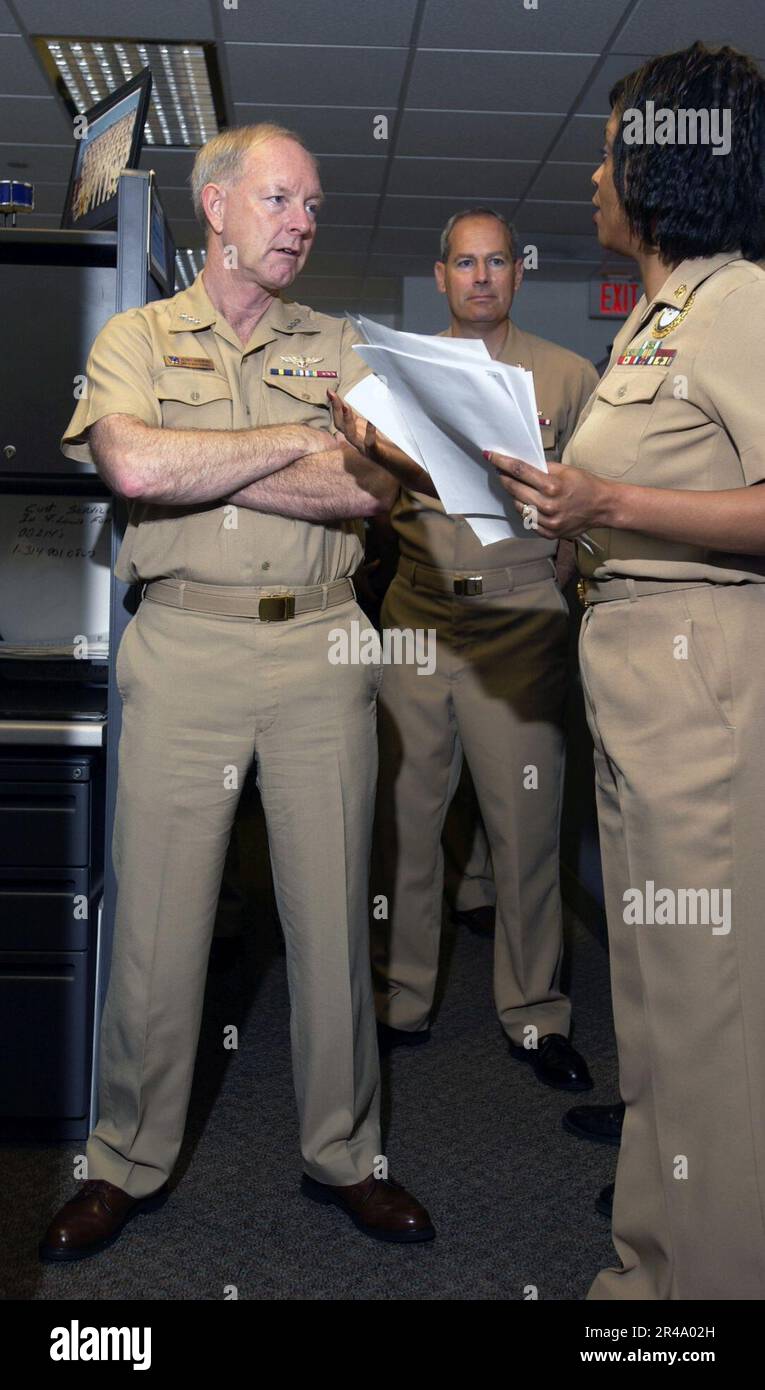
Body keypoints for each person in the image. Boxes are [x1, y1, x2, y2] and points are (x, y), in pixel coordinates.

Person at [39, 124, 434, 1262]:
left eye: (314, 203)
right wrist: (290, 442)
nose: (304, 220)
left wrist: (216, 451)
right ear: (215, 207)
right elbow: (137, 468)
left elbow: (366, 496)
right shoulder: (137, 335)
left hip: (322, 649)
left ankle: (350, 1153)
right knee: (158, 931)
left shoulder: (343, 344)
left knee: (328, 922)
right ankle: (121, 1160)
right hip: (185, 648)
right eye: (280, 198)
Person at [489, 42, 765, 1298]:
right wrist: (574, 520)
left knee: (707, 1020)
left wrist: (606, 494)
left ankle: (698, 1295)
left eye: (609, 147)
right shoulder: (665, 317)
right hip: (638, 681)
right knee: (653, 1005)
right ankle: (651, 1268)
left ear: (665, 160)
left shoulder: (740, 302)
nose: (594, 171)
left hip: (702, 683)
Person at [338, 209, 599, 1091]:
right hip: (415, 613)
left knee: (523, 828)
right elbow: (363, 499)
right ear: (441, 274)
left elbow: (590, 516)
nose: (480, 277)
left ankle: (533, 1014)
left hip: (518, 624)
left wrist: (552, 588)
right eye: (463, 262)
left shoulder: (567, 376)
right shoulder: (392, 376)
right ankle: (400, 997)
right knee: (404, 822)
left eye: (496, 262)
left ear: (516, 275)